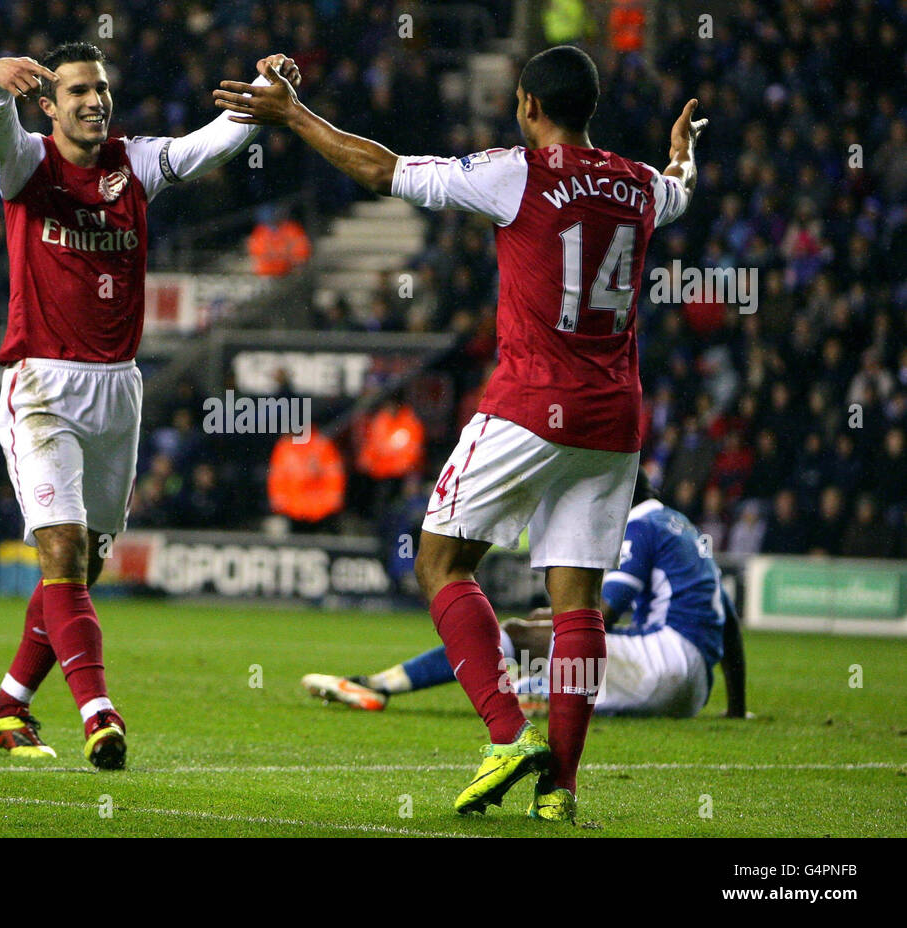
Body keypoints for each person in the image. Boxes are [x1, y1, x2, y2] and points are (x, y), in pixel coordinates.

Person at [216, 45, 704, 822]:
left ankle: (509, 733)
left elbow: (382, 172)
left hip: (530, 401)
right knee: (576, 603)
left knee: (441, 562)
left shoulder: (516, 172)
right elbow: (679, 189)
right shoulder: (640, 183)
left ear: (529, 107)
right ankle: (560, 791)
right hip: (614, 417)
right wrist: (683, 155)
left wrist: (292, 114)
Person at [0, 42, 302, 769]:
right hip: (42, 387)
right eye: (77, 92)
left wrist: (263, 86)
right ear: (48, 105)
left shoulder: (137, 162)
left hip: (118, 389)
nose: (94, 102)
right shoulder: (27, 164)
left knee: (84, 566)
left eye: (100, 89)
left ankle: (7, 705)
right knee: (59, 550)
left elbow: (207, 147)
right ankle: (100, 713)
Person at [304, 470, 748, 719]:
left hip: (662, 665)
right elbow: (727, 620)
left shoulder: (640, 526)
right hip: (694, 690)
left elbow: (602, 613)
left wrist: (558, 621)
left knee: (528, 632)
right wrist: (736, 709)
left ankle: (384, 685)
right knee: (547, 634)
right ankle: (538, 688)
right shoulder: (681, 527)